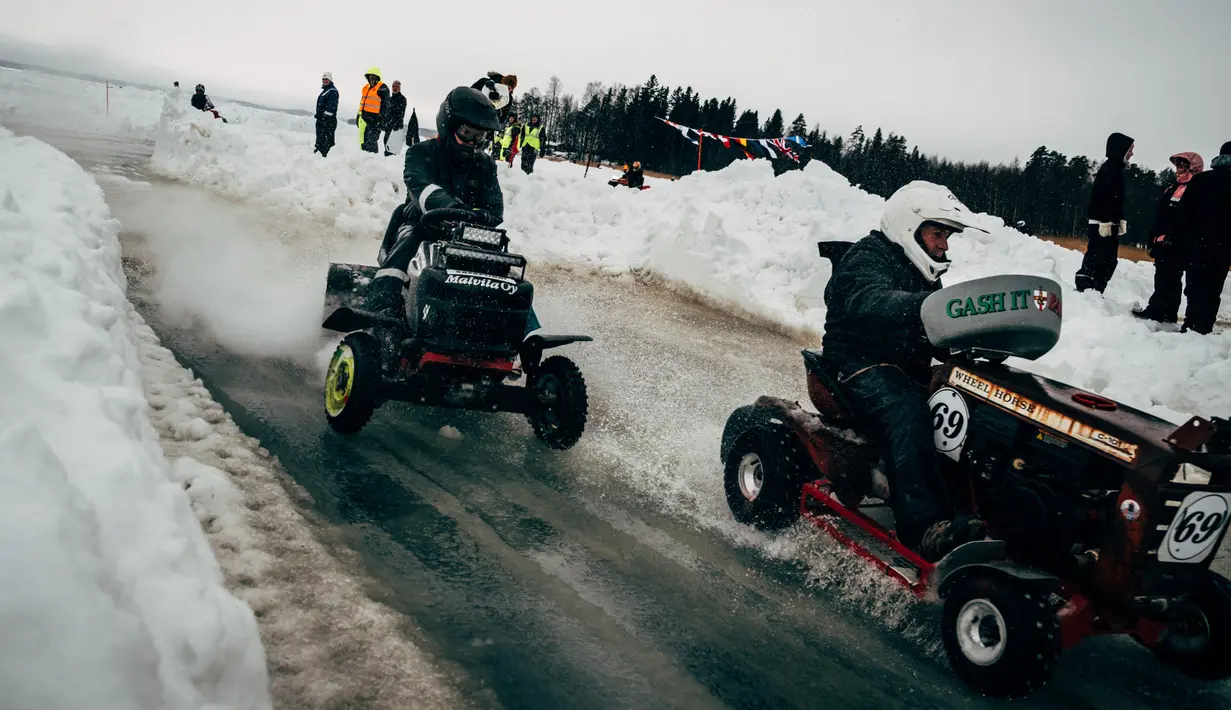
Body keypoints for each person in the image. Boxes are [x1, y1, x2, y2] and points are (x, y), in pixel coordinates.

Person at [820, 181, 986, 562]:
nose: (944, 244)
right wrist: (928, 305)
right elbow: (870, 301)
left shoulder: (923, 271)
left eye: (947, 236)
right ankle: (922, 526)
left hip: (903, 365)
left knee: (969, 407)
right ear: (908, 227)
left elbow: (934, 327)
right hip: (856, 364)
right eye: (937, 233)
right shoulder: (867, 257)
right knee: (910, 411)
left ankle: (972, 509)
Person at [365, 87, 511, 323]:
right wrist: (454, 208)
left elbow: (495, 210)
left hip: (468, 235)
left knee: (500, 263)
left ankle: (510, 326)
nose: (473, 142)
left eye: (480, 136)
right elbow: (421, 188)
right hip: (421, 224)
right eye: (467, 133)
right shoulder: (420, 153)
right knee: (411, 239)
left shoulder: (485, 164)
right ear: (448, 125)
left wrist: (476, 218)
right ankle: (381, 307)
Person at [1132, 152, 1204, 323]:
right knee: (1163, 276)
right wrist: (1153, 237)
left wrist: (1174, 236)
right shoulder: (1173, 187)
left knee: (1170, 278)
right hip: (1162, 241)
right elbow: (1162, 215)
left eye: (1182, 167)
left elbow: (1187, 218)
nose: (1178, 170)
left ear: (1193, 168)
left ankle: (1161, 311)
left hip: (1178, 243)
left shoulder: (1195, 189)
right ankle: (1162, 311)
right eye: (1177, 166)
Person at [1177, 141, 1231, 334]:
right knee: (1213, 288)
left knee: (1194, 286)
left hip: (1196, 245)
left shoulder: (1201, 180)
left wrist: (1182, 239)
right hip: (1223, 247)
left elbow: (1183, 214)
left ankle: (1190, 323)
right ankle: (1204, 326)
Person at [1075, 132, 1134, 293]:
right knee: (1098, 257)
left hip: (1108, 223)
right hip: (1102, 223)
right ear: (1120, 149)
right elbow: (1104, 199)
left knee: (1107, 261)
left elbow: (1116, 201)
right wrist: (1107, 222)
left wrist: (1118, 220)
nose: (1132, 154)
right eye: (1130, 150)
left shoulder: (1115, 170)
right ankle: (1086, 289)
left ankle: (1096, 290)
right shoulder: (1109, 170)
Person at [357, 68, 390, 153]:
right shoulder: (366, 88)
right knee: (364, 142)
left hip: (375, 121)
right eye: (370, 77)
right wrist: (359, 115)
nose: (372, 79)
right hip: (365, 119)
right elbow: (362, 103)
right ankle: (365, 161)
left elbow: (386, 106)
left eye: (374, 77)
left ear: (377, 78)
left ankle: (373, 162)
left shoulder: (383, 88)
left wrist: (380, 118)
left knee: (371, 142)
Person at [314, 72, 339, 157]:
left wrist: (323, 116)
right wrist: (319, 115)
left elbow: (331, 107)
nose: (324, 81)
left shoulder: (332, 91)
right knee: (320, 137)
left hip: (328, 121)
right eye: (323, 79)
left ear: (330, 80)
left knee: (326, 140)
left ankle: (324, 156)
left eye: (326, 79)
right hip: (322, 120)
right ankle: (319, 152)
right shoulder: (326, 91)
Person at [383, 80, 408, 156]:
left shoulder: (402, 99)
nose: (394, 88)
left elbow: (401, 114)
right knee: (386, 142)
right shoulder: (389, 99)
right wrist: (384, 123)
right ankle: (386, 160)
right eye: (393, 86)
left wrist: (396, 125)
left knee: (392, 147)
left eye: (396, 86)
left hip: (396, 128)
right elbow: (386, 113)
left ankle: (391, 162)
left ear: (399, 88)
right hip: (388, 126)